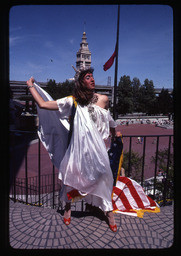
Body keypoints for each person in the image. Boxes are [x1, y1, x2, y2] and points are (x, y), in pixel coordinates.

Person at [26, 67, 117, 232]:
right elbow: (43, 104)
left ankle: (109, 213)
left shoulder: (103, 99)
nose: (92, 79)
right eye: (88, 77)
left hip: (97, 150)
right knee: (70, 178)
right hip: (77, 149)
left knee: (104, 177)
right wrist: (31, 85)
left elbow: (108, 119)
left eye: (92, 77)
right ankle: (68, 208)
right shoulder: (72, 101)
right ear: (81, 82)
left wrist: (115, 132)